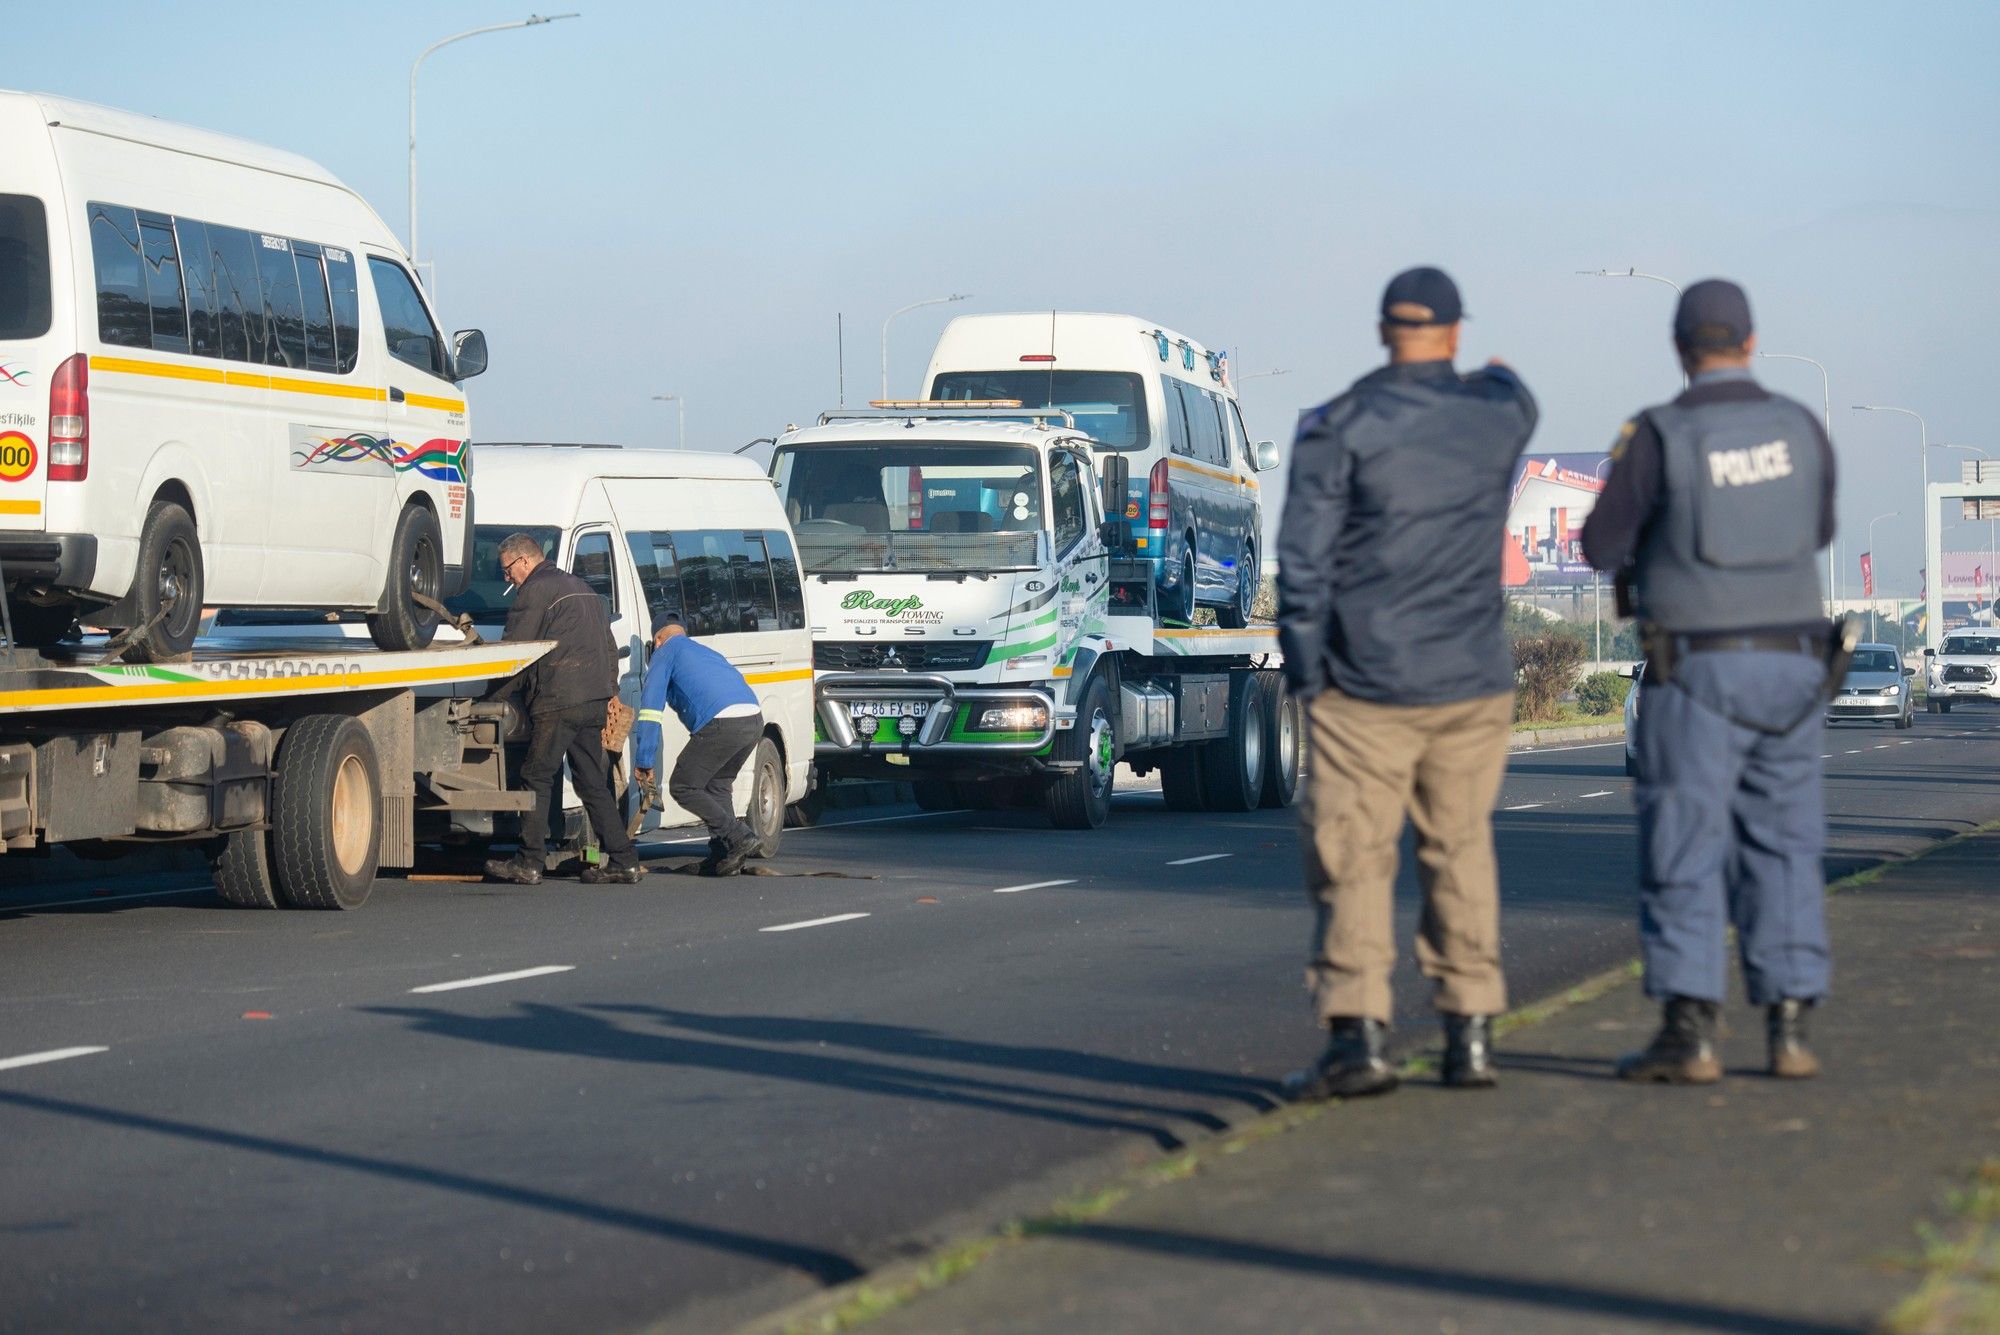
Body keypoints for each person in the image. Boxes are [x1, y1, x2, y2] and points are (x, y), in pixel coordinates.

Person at [1276, 266, 1539, 1099]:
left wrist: (1310, 672)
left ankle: (1360, 1040)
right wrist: (1486, 372)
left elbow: (1302, 563)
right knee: (1459, 849)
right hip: (1471, 679)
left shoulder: (1337, 425)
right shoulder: (1497, 416)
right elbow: (1514, 387)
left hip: (1365, 681)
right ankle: (1471, 1035)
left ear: (1383, 328)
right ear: (1454, 333)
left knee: (1353, 856)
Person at [1581, 278, 1836, 1084]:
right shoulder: (1801, 427)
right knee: (1784, 841)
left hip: (1695, 670)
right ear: (1752, 342)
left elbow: (1597, 543)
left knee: (1686, 845)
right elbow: (1820, 525)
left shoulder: (1661, 434)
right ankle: (1790, 1024)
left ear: (1679, 348)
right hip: (1796, 669)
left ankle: (1690, 1032)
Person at [484, 533, 645, 886]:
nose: (506, 578)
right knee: (592, 782)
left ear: (525, 561)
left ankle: (528, 862)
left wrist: (490, 698)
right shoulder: (583, 588)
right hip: (593, 700)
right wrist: (609, 692)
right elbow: (607, 646)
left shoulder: (535, 592)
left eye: (508, 570)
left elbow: (516, 652)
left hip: (559, 700)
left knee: (536, 775)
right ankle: (624, 860)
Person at [633, 613, 765, 876]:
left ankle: (737, 835)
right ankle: (723, 854)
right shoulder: (703, 651)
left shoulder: (665, 652)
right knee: (717, 784)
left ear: (658, 640)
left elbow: (650, 710)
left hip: (722, 722)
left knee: (684, 785)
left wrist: (644, 759)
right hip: (752, 720)